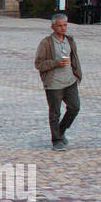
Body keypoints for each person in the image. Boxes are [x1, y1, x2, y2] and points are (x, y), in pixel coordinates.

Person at [34, 12, 82, 150]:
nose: (63, 28)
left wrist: (77, 74)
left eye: (65, 25)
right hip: (54, 84)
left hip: (70, 81)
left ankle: (60, 131)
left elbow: (75, 59)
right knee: (55, 113)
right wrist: (56, 63)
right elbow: (39, 64)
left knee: (74, 107)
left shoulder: (70, 41)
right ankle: (57, 140)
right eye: (59, 26)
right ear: (52, 27)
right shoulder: (46, 43)